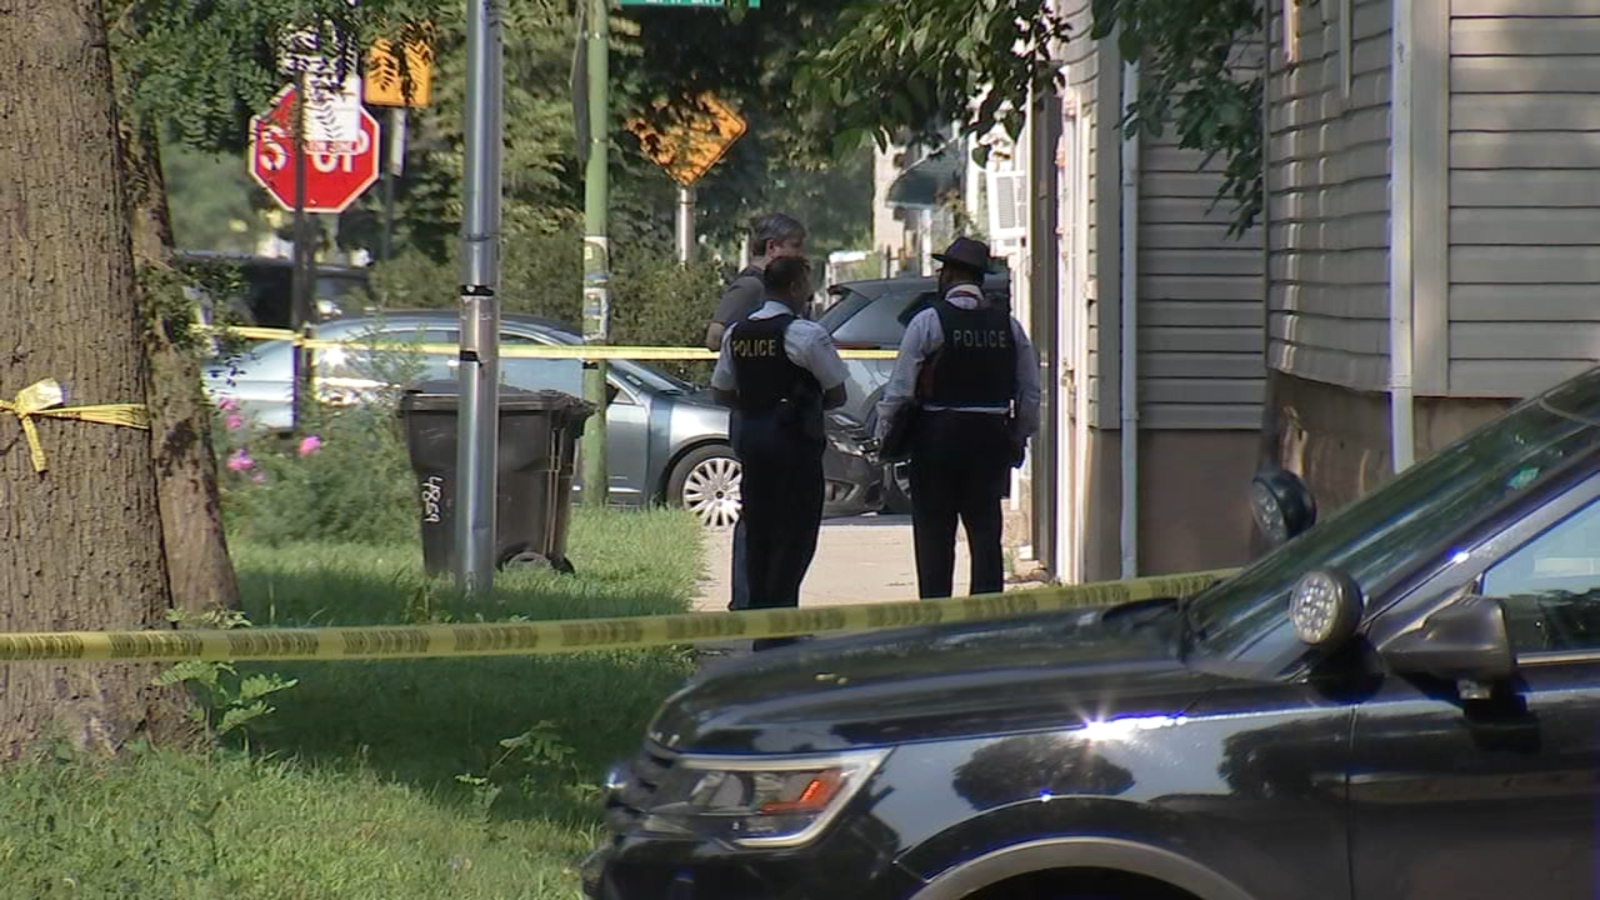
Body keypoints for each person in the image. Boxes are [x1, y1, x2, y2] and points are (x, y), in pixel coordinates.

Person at [874, 237, 1041, 600]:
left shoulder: (928, 321)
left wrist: (887, 434)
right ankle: (985, 617)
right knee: (985, 534)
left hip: (938, 437)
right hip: (991, 437)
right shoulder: (1008, 326)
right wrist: (1019, 435)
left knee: (934, 534)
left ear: (948, 274)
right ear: (979, 278)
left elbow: (901, 389)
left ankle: (935, 615)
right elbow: (1029, 392)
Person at [711, 256, 847, 650]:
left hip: (752, 441)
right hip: (795, 445)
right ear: (793, 288)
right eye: (806, 284)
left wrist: (757, 404)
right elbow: (837, 392)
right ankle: (781, 624)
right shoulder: (805, 334)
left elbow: (720, 391)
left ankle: (763, 618)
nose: (808, 293)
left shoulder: (736, 333)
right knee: (796, 533)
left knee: (760, 530)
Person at [704, 213, 807, 612]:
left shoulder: (778, 289)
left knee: (773, 511)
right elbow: (716, 334)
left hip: (775, 416)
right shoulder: (751, 287)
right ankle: (749, 599)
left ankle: (764, 599)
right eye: (796, 246)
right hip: (757, 416)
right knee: (760, 511)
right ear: (772, 248)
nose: (801, 254)